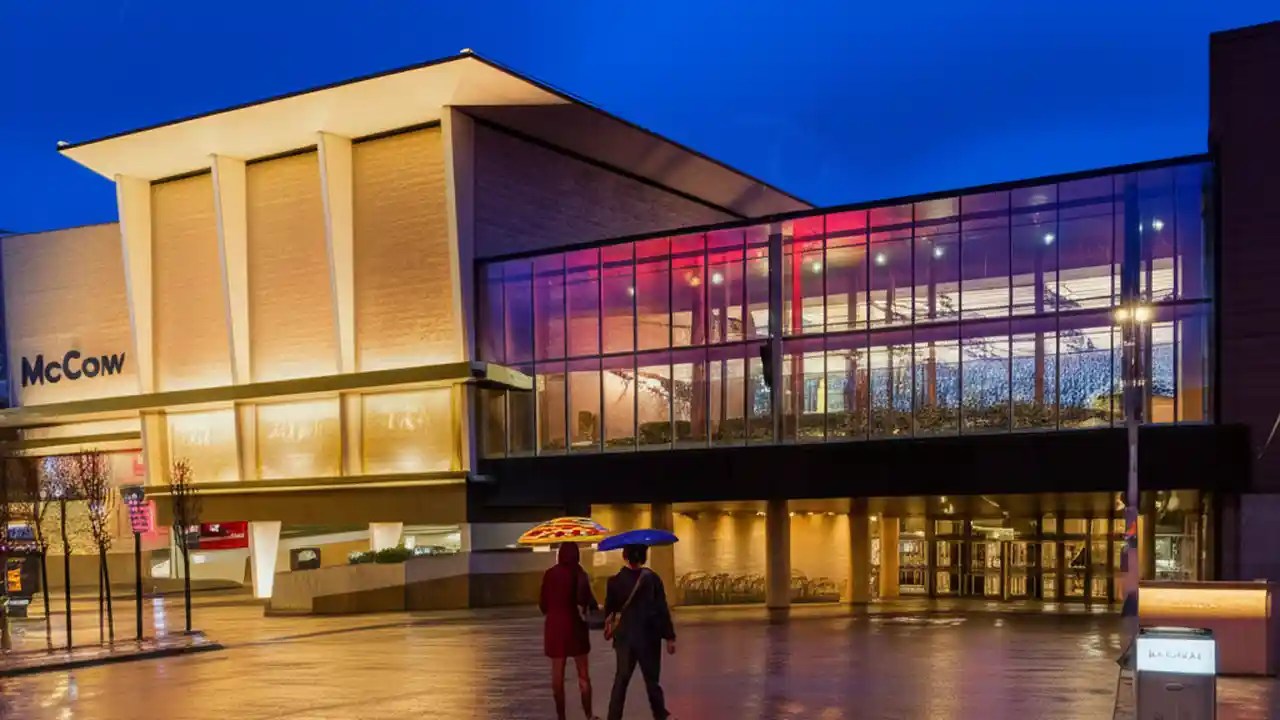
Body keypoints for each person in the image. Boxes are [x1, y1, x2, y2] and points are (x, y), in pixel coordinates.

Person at [604, 544, 677, 720]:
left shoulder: (614, 581)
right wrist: (669, 637)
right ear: (644, 557)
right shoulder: (652, 579)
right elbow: (661, 609)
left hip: (625, 639)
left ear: (624, 556)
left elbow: (609, 611)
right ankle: (660, 715)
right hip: (649, 638)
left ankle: (613, 717)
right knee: (652, 682)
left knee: (621, 681)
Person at [539, 542, 600, 720]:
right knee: (583, 674)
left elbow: (543, 605)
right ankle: (588, 715)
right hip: (576, 627)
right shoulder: (580, 573)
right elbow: (588, 601)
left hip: (555, 629)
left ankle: (561, 717)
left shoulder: (549, 574)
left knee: (557, 677)